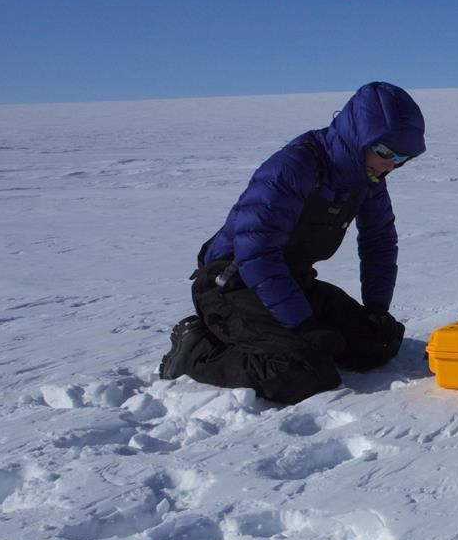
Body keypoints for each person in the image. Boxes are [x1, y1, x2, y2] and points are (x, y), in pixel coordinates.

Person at [158, 82, 426, 404]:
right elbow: (256, 251)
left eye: (401, 157)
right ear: (360, 136)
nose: (391, 164)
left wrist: (376, 308)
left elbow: (378, 242)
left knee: (379, 340)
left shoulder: (367, 180)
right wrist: (302, 325)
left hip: (290, 280)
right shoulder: (294, 167)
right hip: (232, 284)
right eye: (385, 152)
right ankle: (195, 348)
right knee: (304, 371)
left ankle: (277, 336)